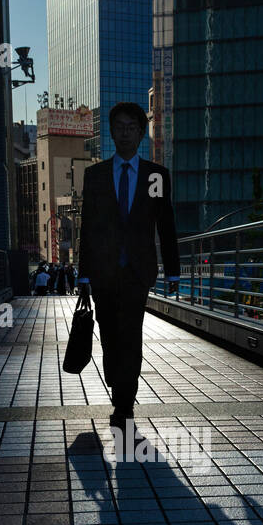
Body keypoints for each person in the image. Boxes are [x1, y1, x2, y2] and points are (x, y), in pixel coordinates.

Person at [77, 102, 181, 427]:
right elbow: (88, 228)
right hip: (103, 274)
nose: (125, 133)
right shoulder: (94, 176)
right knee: (109, 335)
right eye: (119, 127)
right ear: (111, 132)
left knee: (131, 335)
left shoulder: (156, 176)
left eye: (132, 127)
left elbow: (166, 225)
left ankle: (124, 405)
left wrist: (174, 269)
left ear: (141, 133)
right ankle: (117, 379)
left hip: (138, 273)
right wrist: (82, 274)